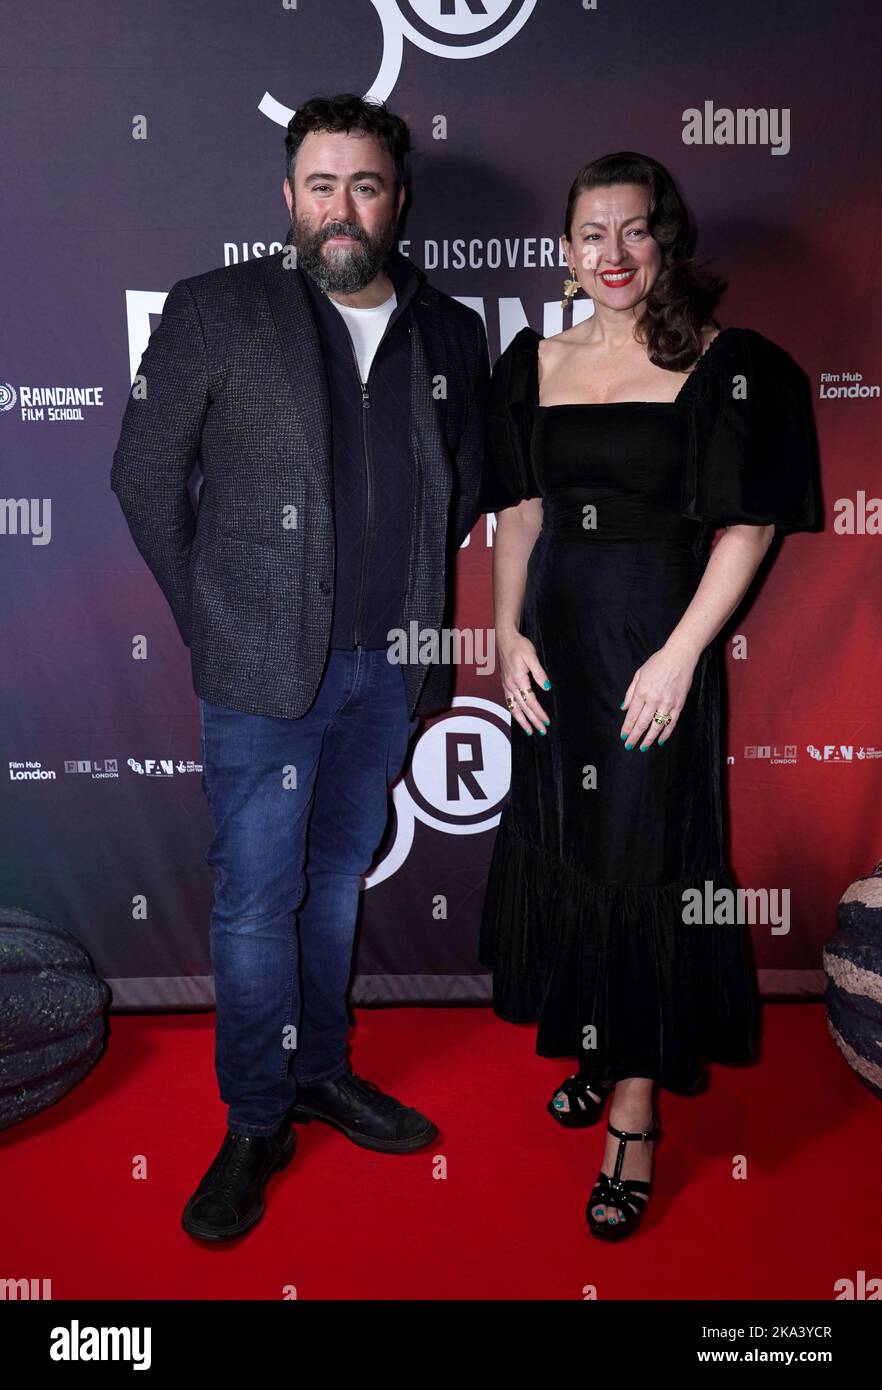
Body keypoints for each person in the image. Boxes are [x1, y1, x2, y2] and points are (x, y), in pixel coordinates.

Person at [111, 93, 489, 1241]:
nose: (342, 207)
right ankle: (255, 1118)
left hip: (385, 671)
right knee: (254, 903)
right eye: (320, 185)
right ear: (288, 198)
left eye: (364, 185)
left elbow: (461, 490)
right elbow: (144, 479)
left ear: (397, 200)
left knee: (334, 885)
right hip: (261, 679)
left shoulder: (449, 332)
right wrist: (216, 617)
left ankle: (321, 1069)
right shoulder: (217, 310)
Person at [478, 151, 819, 1241]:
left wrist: (679, 658)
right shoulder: (534, 358)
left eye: (634, 231)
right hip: (559, 648)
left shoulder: (728, 363)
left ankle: (635, 1112)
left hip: (655, 651)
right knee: (573, 843)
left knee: (640, 860)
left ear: (664, 242)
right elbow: (522, 509)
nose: (612, 254)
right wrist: (501, 631)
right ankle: (597, 1030)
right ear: (566, 251)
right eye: (591, 234)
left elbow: (749, 525)